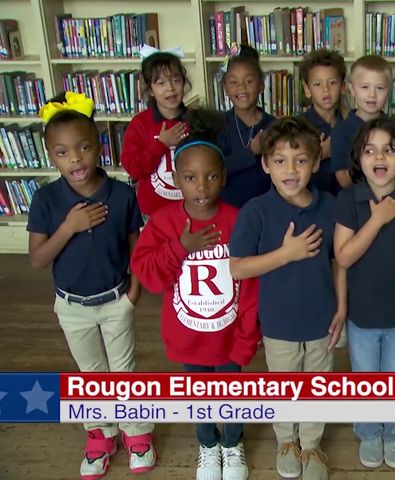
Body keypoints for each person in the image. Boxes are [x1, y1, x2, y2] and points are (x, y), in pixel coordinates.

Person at [29, 91, 155, 479]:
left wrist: (134, 291)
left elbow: (135, 244)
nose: (75, 159)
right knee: (91, 373)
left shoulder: (121, 194)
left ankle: (137, 432)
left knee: (123, 370)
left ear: (99, 146)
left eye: (83, 148)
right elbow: (38, 258)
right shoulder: (46, 199)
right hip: (72, 307)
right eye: (62, 152)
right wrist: (70, 226)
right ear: (51, 156)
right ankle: (101, 435)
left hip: (116, 299)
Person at [131, 109, 259, 480]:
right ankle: (208, 444)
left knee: (232, 395)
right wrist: (180, 247)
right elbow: (149, 276)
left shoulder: (238, 220)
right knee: (199, 395)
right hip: (188, 337)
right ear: (176, 179)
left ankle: (232, 443)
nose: (201, 187)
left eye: (211, 176)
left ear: (223, 177)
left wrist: (246, 338)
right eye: (190, 178)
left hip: (229, 335)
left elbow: (251, 284)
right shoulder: (164, 222)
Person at [229, 117, 346, 480]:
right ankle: (286, 441)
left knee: (317, 384)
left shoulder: (330, 206)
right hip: (278, 321)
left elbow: (339, 261)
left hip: (322, 317)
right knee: (283, 383)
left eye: (301, 160)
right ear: (266, 165)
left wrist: (342, 307)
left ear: (316, 162)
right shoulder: (255, 211)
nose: (291, 170)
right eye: (280, 160)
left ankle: (310, 444)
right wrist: (287, 253)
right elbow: (237, 268)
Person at [333, 118, 395, 469]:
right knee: (365, 377)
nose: (379, 157)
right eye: (369, 150)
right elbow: (343, 257)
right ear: (358, 159)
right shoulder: (349, 200)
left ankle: (394, 431)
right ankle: (370, 431)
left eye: (389, 150)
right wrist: (377, 219)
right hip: (362, 315)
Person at [121, 50, 191, 217]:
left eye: (176, 80)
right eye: (161, 83)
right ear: (150, 89)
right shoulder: (140, 124)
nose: (170, 88)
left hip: (191, 210)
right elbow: (133, 169)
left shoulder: (195, 120)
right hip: (153, 213)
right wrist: (160, 144)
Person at [218, 44, 276, 208]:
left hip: (265, 209)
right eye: (233, 82)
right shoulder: (219, 125)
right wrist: (251, 151)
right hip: (229, 209)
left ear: (261, 85)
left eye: (249, 81)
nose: (241, 87)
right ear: (225, 88)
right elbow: (215, 168)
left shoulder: (273, 126)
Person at [330, 55, 392, 189]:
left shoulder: (394, 128)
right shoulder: (341, 131)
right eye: (365, 87)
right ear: (352, 89)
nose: (372, 95)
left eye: (380, 88)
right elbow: (344, 181)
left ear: (388, 91)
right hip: (354, 198)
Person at [299, 48, 348, 196]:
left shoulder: (351, 124)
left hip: (347, 203)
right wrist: (320, 153)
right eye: (317, 84)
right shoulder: (298, 127)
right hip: (313, 202)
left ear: (342, 86)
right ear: (307, 89)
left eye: (332, 83)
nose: (326, 90)